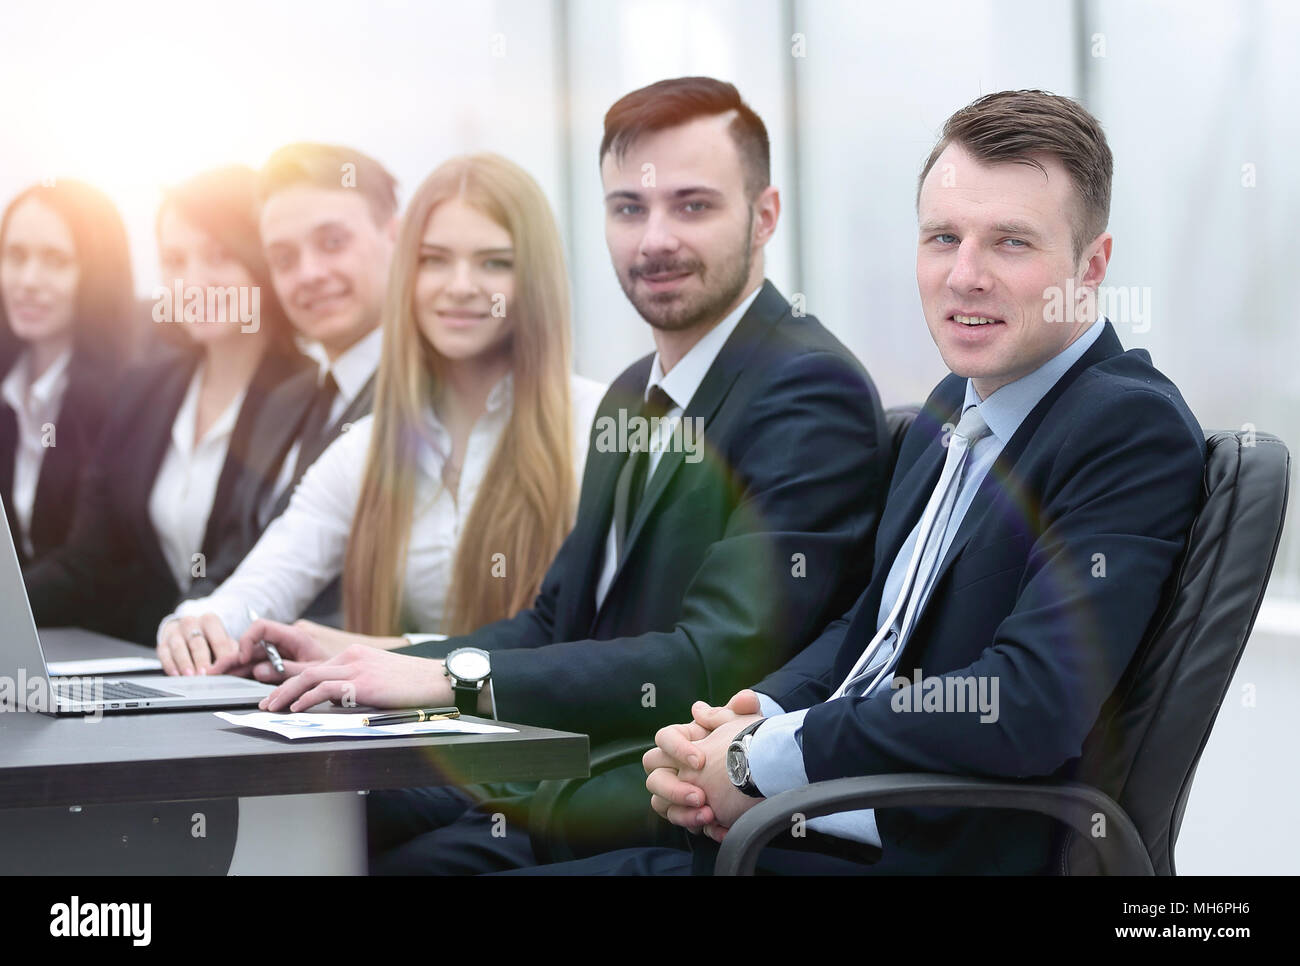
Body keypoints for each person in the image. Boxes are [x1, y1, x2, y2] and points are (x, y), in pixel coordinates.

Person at [524, 89, 1208, 876]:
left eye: (1011, 243)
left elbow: (1024, 702)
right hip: (806, 829)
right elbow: (870, 627)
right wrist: (751, 718)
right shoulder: (954, 407)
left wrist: (773, 757)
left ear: (1092, 265)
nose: (965, 275)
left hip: (924, 854)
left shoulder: (1124, 427)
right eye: (942, 237)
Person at [220, 76, 891, 874]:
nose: (655, 240)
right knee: (303, 808)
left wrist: (448, 680)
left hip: (662, 798)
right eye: (629, 209)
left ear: (765, 215)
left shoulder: (807, 388)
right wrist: (369, 664)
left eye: (694, 205)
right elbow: (554, 620)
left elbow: (714, 663)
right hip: (566, 770)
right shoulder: (634, 391)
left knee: (377, 851)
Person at [155, 153, 605, 671]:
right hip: (406, 739)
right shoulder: (365, 447)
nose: (460, 285)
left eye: (494, 261)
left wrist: (384, 655)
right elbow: (265, 580)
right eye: (435, 260)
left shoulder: (596, 427)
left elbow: (590, 638)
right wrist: (196, 623)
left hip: (561, 745)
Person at [22, 166, 309, 645]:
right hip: (160, 665)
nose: (192, 281)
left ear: (262, 260)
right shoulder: (145, 390)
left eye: (219, 256)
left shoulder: (308, 397)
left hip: (261, 675)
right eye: (174, 260)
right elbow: (88, 562)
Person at [211, 143, 398, 620]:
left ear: (395, 237)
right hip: (235, 677)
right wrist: (189, 635)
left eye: (333, 243)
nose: (309, 274)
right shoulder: (283, 402)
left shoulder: (432, 401)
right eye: (284, 258)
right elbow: (227, 564)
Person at [0, 180, 134, 566]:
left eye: (56, 261)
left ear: (96, 274)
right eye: (15, 255)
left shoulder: (130, 398)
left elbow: (90, 570)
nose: (28, 281)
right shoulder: (9, 386)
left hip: (87, 624)